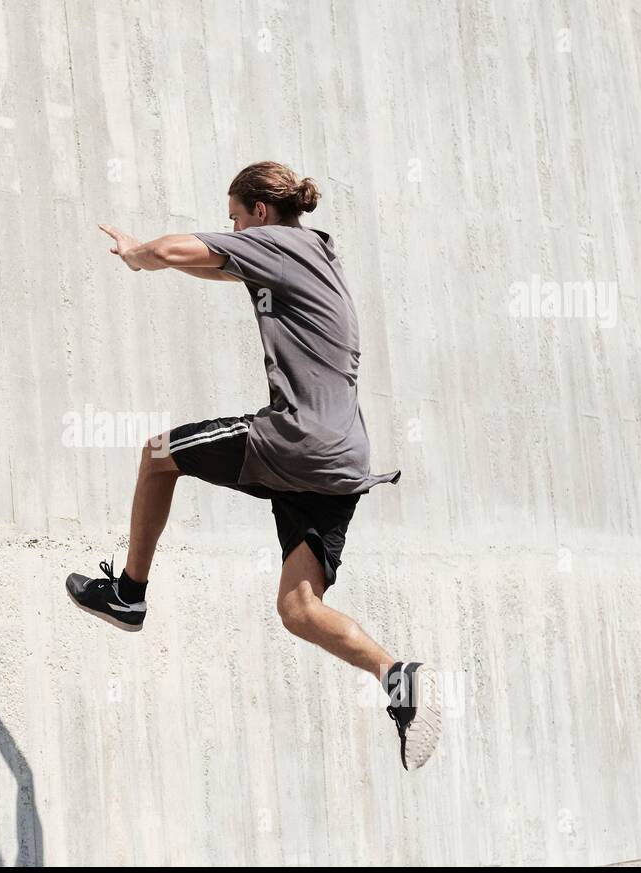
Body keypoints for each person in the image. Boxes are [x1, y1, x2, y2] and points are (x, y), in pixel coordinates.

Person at [65, 161, 441, 770]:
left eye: (236, 219)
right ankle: (395, 677)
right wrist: (183, 259)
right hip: (343, 461)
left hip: (297, 439)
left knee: (158, 457)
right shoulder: (313, 255)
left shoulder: (278, 243)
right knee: (299, 609)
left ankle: (128, 594)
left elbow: (182, 249)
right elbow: (217, 264)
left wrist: (141, 253)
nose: (232, 231)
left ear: (260, 214)